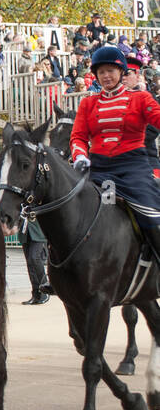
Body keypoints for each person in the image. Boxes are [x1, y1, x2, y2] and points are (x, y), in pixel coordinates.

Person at [69, 45, 160, 258]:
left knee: (152, 216)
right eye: (101, 72)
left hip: (133, 169)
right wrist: (80, 156)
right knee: (68, 214)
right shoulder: (88, 103)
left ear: (121, 72)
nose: (106, 76)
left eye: (111, 70)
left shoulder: (141, 98)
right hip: (98, 169)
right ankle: (60, 271)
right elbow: (78, 137)